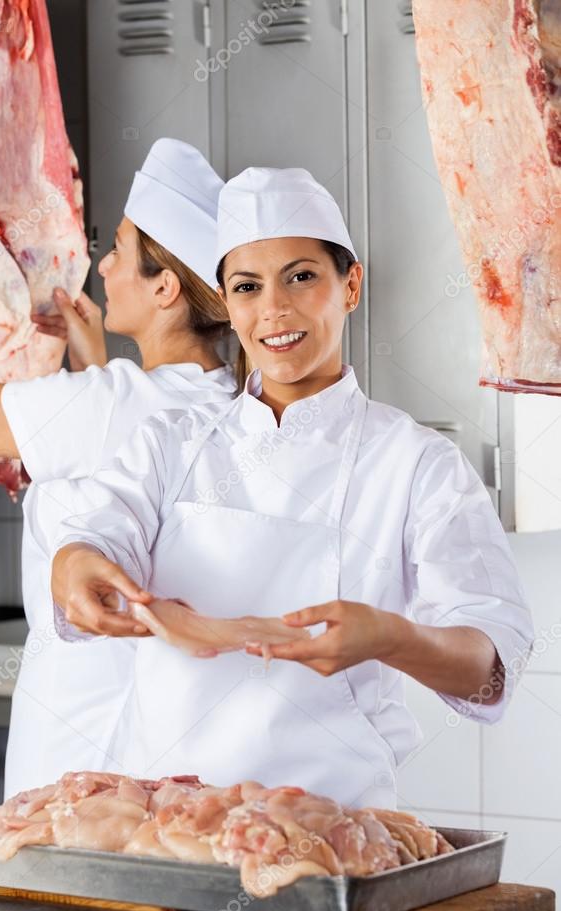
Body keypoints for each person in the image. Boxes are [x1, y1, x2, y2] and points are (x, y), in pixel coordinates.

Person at [50, 166, 534, 809]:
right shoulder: (173, 441)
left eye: (301, 277)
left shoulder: (418, 464)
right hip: (171, 824)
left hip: (336, 830)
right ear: (226, 302)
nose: (274, 309)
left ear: (351, 285)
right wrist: (76, 565)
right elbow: (95, 538)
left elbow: (488, 667)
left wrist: (390, 636)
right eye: (247, 287)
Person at [0, 139, 237, 797]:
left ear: (165, 287)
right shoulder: (227, 399)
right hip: (169, 751)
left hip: (78, 747)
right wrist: (94, 364)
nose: (104, 265)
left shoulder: (113, 404)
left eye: (117, 250)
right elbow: (130, 470)